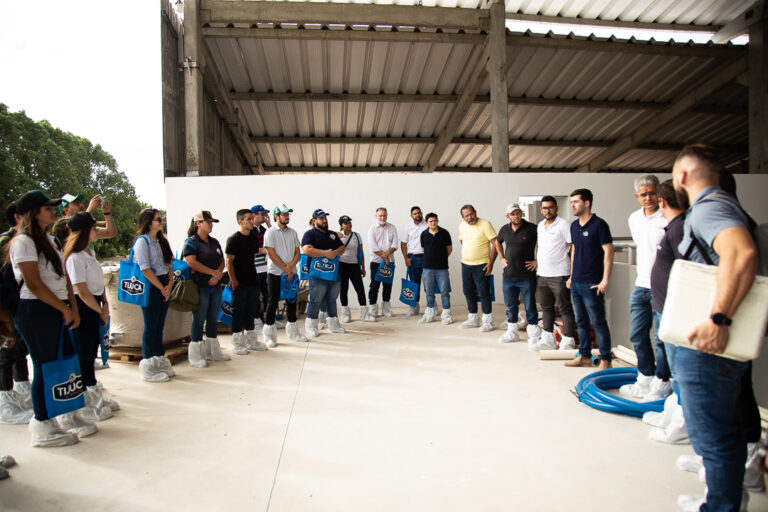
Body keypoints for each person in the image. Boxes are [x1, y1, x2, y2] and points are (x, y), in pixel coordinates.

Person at [672, 144, 760, 512]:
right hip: (717, 342)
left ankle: (722, 506)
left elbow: (740, 253)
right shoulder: (727, 205)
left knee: (713, 434)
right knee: (727, 427)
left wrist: (718, 319)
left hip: (706, 346)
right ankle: (727, 498)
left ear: (683, 176)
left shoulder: (709, 207)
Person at [10, 190, 86, 446]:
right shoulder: (23, 242)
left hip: (57, 307)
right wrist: (64, 309)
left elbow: (63, 278)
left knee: (59, 364)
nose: (52, 211)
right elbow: (33, 284)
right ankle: (42, 424)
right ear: (34, 212)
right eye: (47, 207)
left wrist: (71, 307)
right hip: (35, 310)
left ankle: (56, 416)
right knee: (44, 366)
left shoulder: (50, 239)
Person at [643, 179, 689, 444]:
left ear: (662, 201)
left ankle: (682, 424)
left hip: (674, 311)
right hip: (665, 308)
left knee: (681, 369)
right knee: (675, 367)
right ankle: (673, 412)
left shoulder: (681, 228)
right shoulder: (675, 227)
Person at [619, 175, 671, 402]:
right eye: (644, 194)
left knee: (661, 338)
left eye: (652, 193)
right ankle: (645, 376)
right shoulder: (634, 219)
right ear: (637, 197)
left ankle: (662, 382)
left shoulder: (668, 217)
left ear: (659, 192)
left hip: (663, 288)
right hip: (641, 285)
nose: (648, 197)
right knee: (638, 335)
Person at [63, 212, 117, 422]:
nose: (97, 232)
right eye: (94, 228)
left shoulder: (89, 253)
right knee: (83, 354)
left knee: (92, 351)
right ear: (85, 231)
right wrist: (98, 309)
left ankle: (92, 391)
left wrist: (104, 303)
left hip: (95, 303)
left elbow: (97, 283)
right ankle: (84, 397)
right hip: (84, 307)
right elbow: (81, 290)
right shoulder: (75, 257)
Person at [564, 189, 614, 371]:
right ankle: (584, 356)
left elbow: (609, 252)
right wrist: (571, 276)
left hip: (592, 282)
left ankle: (606, 359)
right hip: (576, 282)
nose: (572, 205)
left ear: (587, 203)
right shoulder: (574, 226)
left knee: (598, 322)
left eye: (576, 202)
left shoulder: (599, 225)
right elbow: (574, 250)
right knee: (581, 322)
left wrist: (605, 280)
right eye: (571, 202)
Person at [183, 210, 235, 367]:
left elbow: (221, 260)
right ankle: (196, 354)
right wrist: (212, 273)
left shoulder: (214, 242)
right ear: (198, 223)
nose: (211, 225)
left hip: (215, 285)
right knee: (199, 319)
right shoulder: (190, 242)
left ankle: (213, 351)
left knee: (213, 318)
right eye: (208, 222)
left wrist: (218, 274)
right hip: (200, 286)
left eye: (212, 222)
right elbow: (191, 262)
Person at [132, 208, 175, 382]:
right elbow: (145, 268)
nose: (161, 221)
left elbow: (170, 264)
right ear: (149, 221)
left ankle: (159, 358)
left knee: (159, 325)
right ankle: (148, 363)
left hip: (164, 282)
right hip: (151, 285)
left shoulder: (162, 241)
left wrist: (169, 285)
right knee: (151, 326)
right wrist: (160, 287)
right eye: (158, 219)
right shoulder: (142, 241)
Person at [0, 201, 33, 424]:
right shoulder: (7, 241)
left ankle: (22, 388)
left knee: (20, 349)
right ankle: (5, 401)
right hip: (5, 304)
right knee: (5, 352)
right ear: (16, 217)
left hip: (17, 302)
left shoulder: (28, 241)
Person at [494, 203, 540, 347]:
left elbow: (546, 243)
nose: (516, 216)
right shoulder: (504, 229)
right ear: (508, 216)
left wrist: (538, 261)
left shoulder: (532, 228)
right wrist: (501, 257)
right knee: (511, 305)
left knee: (530, 305)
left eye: (518, 213)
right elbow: (497, 242)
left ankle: (534, 335)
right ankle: (512, 332)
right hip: (508, 276)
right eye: (513, 214)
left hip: (526, 276)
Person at [535, 196, 576, 351]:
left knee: (564, 308)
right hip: (543, 274)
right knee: (546, 308)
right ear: (541, 210)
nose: (548, 210)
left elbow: (573, 246)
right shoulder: (540, 226)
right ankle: (548, 339)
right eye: (545, 208)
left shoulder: (564, 224)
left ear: (556, 208)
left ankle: (568, 340)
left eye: (550, 207)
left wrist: (572, 272)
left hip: (559, 274)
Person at [263, 203, 306, 346]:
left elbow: (297, 252)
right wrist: (285, 267)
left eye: (288, 214)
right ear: (277, 216)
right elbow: (271, 252)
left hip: (291, 273)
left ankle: (294, 333)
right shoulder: (270, 232)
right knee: (272, 302)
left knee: (292, 302)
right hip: (275, 273)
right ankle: (269, 336)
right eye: (284, 214)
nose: (287, 217)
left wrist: (291, 267)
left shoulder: (293, 232)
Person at [226, 210, 265, 355]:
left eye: (252, 218)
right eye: (249, 219)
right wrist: (234, 281)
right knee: (238, 311)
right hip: (239, 282)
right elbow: (229, 262)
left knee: (251, 311)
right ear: (240, 221)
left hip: (252, 280)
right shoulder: (233, 239)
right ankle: (237, 342)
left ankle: (252, 340)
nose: (252, 221)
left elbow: (252, 257)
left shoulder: (254, 238)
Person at [302, 209, 346, 337]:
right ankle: (311, 326)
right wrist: (325, 253)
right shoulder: (310, 234)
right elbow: (306, 250)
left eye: (325, 218)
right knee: (316, 300)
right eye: (321, 218)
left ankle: (334, 324)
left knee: (332, 299)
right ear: (314, 220)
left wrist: (336, 252)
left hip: (333, 273)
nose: (324, 220)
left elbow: (342, 247)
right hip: (317, 274)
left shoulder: (332, 234)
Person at [458, 204, 497, 331]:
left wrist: (491, 262)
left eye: (471, 214)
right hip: (465, 264)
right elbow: (463, 241)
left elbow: (495, 243)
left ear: (475, 212)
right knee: (468, 291)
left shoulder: (485, 224)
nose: (470, 217)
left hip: (481, 264)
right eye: (466, 216)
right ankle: (473, 318)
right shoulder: (462, 225)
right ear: (463, 217)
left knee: (484, 292)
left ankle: (488, 321)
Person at [337, 215, 374, 323]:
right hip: (342, 265)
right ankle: (345, 314)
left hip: (354, 265)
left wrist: (363, 267)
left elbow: (361, 253)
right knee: (343, 289)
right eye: (345, 223)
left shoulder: (357, 236)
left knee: (360, 289)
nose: (348, 225)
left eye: (349, 222)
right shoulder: (338, 236)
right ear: (341, 225)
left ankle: (364, 314)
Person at [418, 213, 453, 324]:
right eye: (431, 221)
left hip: (442, 268)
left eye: (435, 221)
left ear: (437, 221)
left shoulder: (444, 233)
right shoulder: (424, 234)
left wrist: (440, 258)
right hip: (427, 268)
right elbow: (424, 249)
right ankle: (430, 313)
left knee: (444, 291)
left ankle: (446, 314)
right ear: (427, 222)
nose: (433, 223)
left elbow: (449, 248)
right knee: (429, 291)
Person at [367, 207, 398, 318]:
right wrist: (385, 258)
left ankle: (386, 309)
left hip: (390, 262)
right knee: (374, 286)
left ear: (387, 215)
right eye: (380, 215)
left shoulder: (392, 227)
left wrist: (387, 256)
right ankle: (373, 309)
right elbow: (373, 247)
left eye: (384, 215)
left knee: (387, 286)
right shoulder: (372, 229)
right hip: (376, 262)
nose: (382, 217)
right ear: (376, 216)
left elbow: (395, 245)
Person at [400, 206, 427, 316]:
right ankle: (414, 306)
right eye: (415, 214)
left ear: (421, 213)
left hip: (426, 258)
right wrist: (406, 258)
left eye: (419, 213)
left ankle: (431, 305)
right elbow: (403, 243)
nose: (417, 215)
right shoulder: (408, 227)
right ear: (411, 216)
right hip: (413, 258)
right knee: (414, 283)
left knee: (428, 282)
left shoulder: (427, 224)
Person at [250, 205, 272, 332]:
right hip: (254, 268)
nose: (264, 216)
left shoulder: (263, 229)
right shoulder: (249, 230)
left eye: (265, 214)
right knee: (255, 296)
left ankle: (267, 318)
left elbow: (273, 239)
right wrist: (263, 250)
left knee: (267, 293)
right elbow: (249, 247)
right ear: (254, 215)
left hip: (265, 267)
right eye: (262, 214)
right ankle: (256, 320)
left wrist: (269, 224)